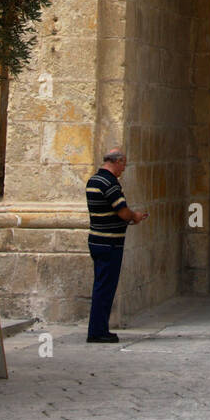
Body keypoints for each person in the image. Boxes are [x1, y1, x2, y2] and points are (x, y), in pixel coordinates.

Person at [84, 147, 148, 344]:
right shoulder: (110, 184)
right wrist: (135, 217)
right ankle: (97, 331)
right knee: (105, 287)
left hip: (96, 239)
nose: (123, 170)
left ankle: (98, 328)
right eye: (123, 165)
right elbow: (122, 211)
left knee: (100, 285)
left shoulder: (93, 181)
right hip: (109, 242)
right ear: (117, 161)